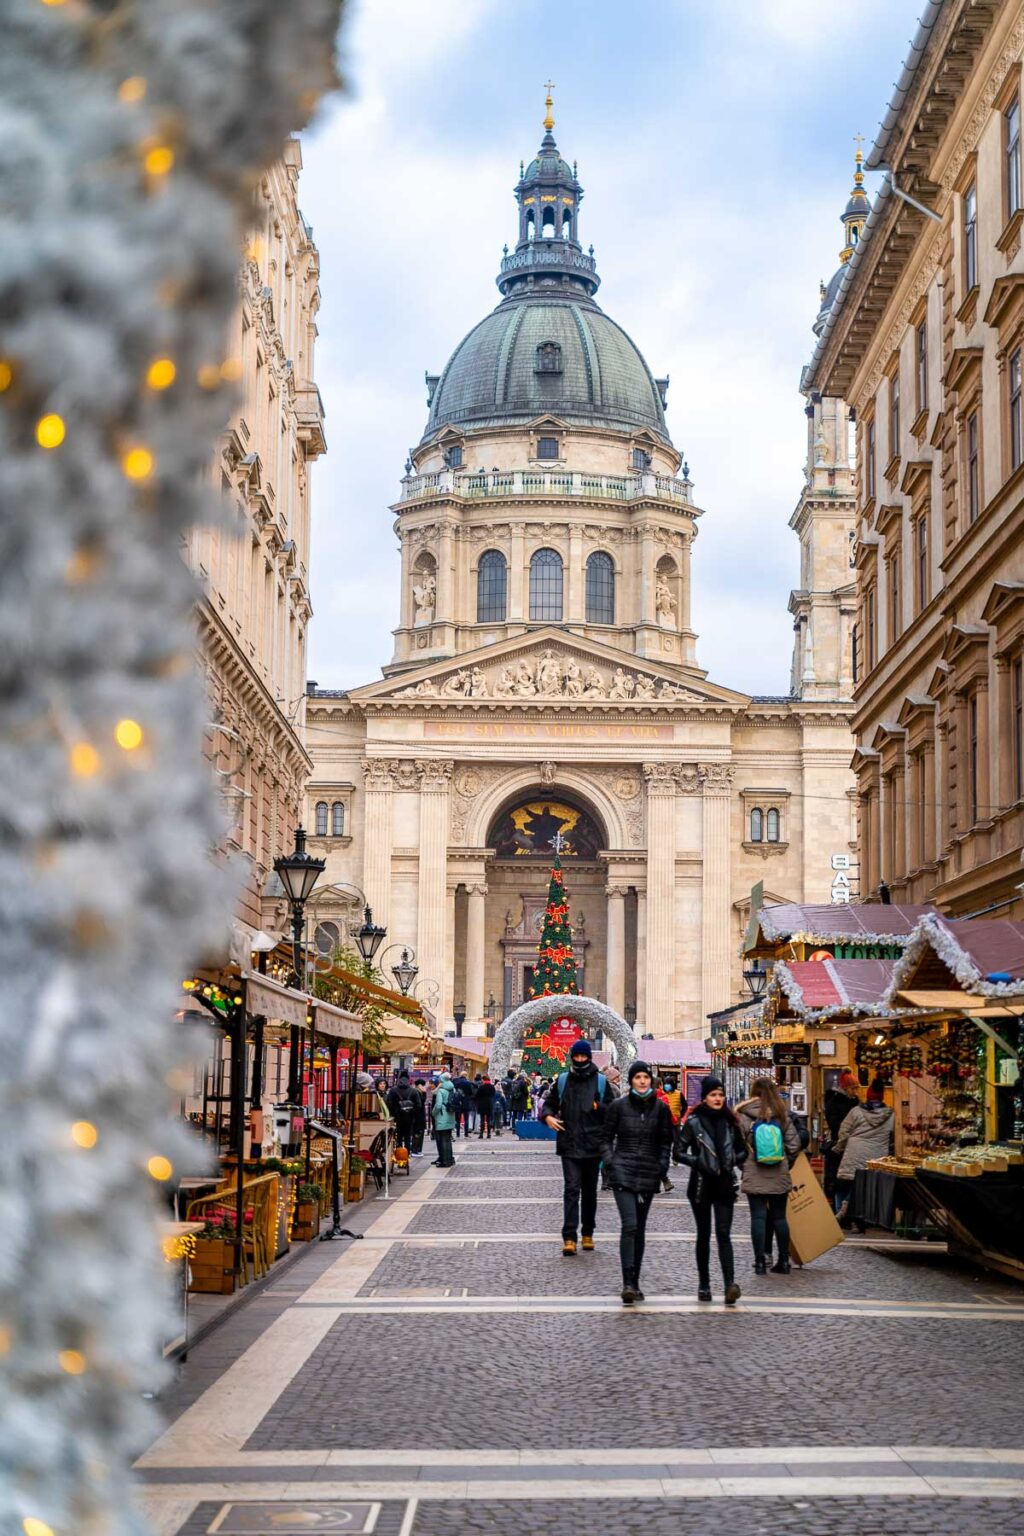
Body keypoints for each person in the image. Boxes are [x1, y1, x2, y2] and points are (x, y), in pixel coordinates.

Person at [600, 1060, 674, 1305]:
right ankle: (628, 1283)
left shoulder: (661, 1109)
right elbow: (606, 1137)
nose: (642, 1081)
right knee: (630, 1225)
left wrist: (662, 1165)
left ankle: (636, 1280)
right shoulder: (619, 1107)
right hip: (623, 1170)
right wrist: (611, 1161)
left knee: (639, 1229)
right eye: (637, 1077)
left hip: (648, 1172)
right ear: (630, 1080)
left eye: (645, 1077)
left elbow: (666, 1141)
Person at [675, 1075, 747, 1305]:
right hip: (700, 1185)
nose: (717, 1098)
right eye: (713, 1095)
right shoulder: (694, 1122)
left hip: (725, 1183)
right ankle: (704, 1285)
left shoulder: (730, 1121)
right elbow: (677, 1151)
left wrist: (733, 1159)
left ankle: (729, 1285)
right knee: (704, 1235)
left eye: (720, 1094)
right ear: (704, 1098)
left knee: (724, 1234)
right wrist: (697, 1161)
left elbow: (744, 1151)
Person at [543, 1040, 616, 1255]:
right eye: (577, 1056)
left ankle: (588, 1233)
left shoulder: (601, 1083)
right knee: (571, 1190)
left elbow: (612, 1112)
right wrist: (547, 1115)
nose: (581, 1060)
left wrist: (598, 1106)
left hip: (593, 1146)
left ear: (589, 1058)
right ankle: (569, 1237)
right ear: (572, 1057)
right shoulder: (564, 1081)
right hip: (569, 1143)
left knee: (590, 1193)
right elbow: (550, 1103)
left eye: (584, 1056)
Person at [736, 1077, 803, 1275]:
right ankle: (783, 1261)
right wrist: (784, 1163)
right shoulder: (782, 1115)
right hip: (779, 1172)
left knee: (758, 1216)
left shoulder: (743, 1115)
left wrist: (745, 1165)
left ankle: (759, 1262)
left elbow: (737, 1146)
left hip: (754, 1171)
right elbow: (795, 1145)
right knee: (779, 1217)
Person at [834, 1079, 895, 1229]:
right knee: (867, 1188)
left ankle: (843, 1213)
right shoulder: (891, 1115)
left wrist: (839, 1147)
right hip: (877, 1156)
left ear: (867, 1096)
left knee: (846, 1186)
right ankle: (860, 1219)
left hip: (854, 1153)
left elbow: (844, 1132)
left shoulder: (856, 1112)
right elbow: (893, 1136)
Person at [822, 1071, 860, 1208]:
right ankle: (839, 1212)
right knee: (839, 1180)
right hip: (839, 1145)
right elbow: (834, 1125)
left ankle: (845, 1212)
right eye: (853, 1088)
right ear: (846, 1088)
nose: (856, 1092)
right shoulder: (834, 1102)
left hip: (852, 1145)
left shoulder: (855, 1102)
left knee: (847, 1180)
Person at [386, 1072, 421, 1154]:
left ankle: (399, 1157)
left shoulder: (393, 1090)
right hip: (409, 1118)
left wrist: (394, 1112)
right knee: (408, 1138)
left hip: (397, 1118)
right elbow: (418, 1105)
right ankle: (406, 1157)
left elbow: (389, 1103)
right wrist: (413, 1113)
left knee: (398, 1138)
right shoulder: (413, 1091)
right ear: (408, 1080)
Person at [431, 1071, 457, 1167]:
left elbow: (438, 1106)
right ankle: (450, 1159)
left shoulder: (441, 1091)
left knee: (442, 1140)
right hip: (451, 1116)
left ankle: (444, 1161)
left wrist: (433, 1113)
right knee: (448, 1139)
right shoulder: (452, 1089)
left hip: (442, 1118)